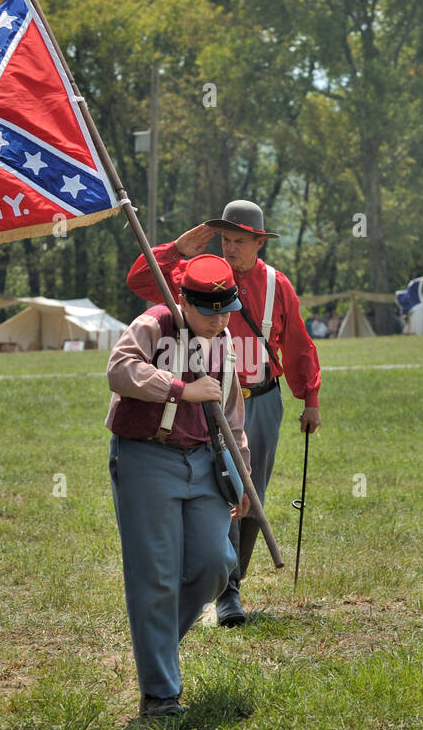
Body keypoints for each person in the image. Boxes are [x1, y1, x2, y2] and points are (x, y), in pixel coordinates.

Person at [126, 199, 322, 626]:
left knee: (250, 494)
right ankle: (222, 591)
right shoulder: (196, 275)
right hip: (206, 400)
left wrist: (309, 399)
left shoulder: (277, 285)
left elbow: (298, 344)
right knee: (218, 490)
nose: (230, 249)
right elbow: (141, 279)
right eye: (225, 240)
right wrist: (177, 249)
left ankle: (235, 583)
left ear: (258, 242)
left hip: (261, 399)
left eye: (239, 242)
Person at [106, 254, 251, 721]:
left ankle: (158, 644)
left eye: (226, 309)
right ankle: (160, 693)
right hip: (147, 456)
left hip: (206, 461)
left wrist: (241, 475)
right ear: (185, 300)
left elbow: (233, 420)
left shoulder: (225, 340)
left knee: (216, 563)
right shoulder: (154, 323)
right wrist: (178, 388)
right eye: (209, 311)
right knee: (157, 576)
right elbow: (118, 369)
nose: (219, 319)